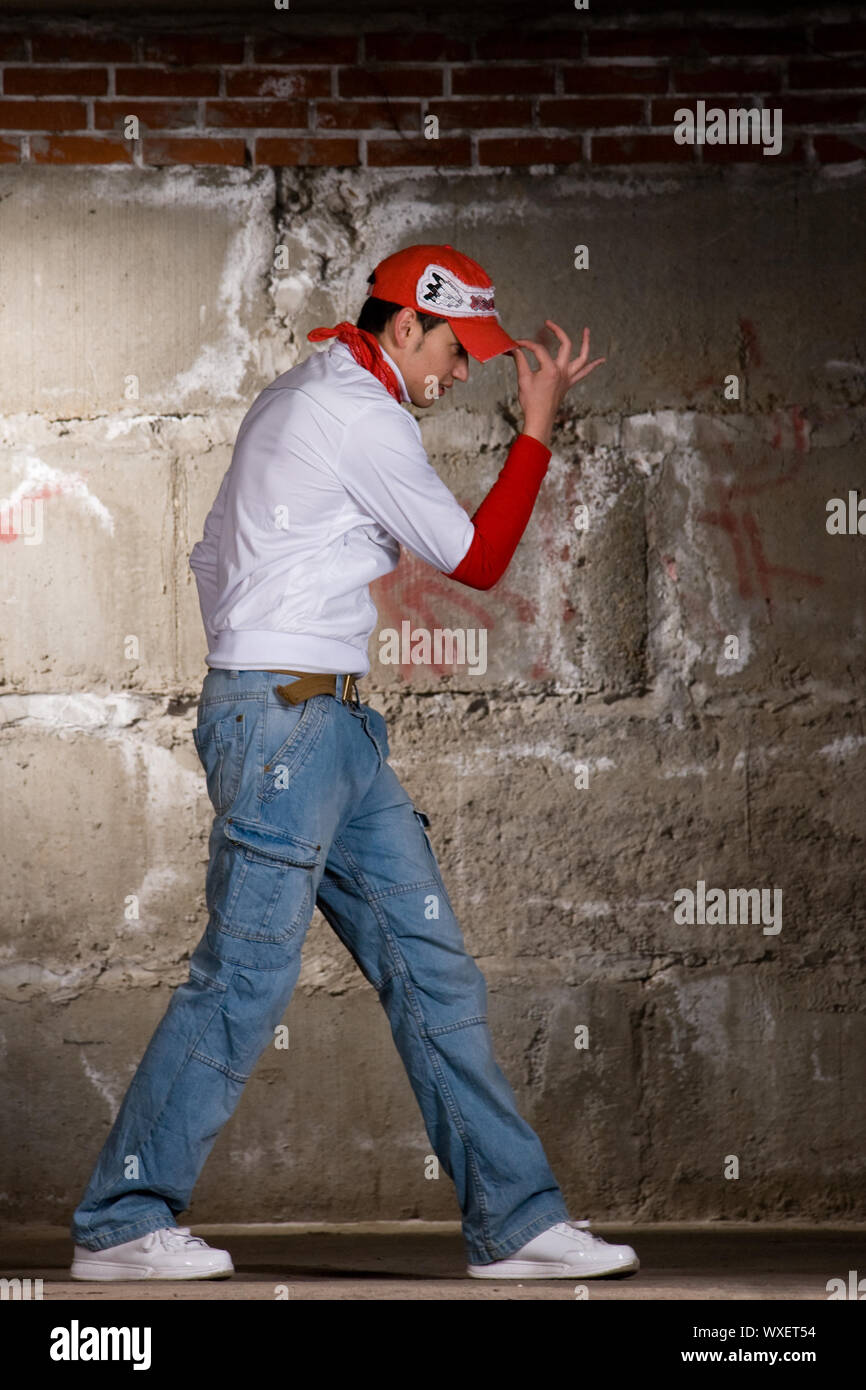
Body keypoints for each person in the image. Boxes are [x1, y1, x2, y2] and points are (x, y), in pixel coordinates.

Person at [69, 243, 638, 1282]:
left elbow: (211, 554)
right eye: (453, 350)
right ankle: (120, 1222)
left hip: (321, 722)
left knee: (430, 969)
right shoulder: (356, 411)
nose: (459, 372)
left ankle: (513, 1221)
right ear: (402, 323)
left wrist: (257, 665)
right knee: (242, 978)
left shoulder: (306, 392)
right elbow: (475, 559)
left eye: (474, 355)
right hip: (291, 724)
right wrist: (537, 428)